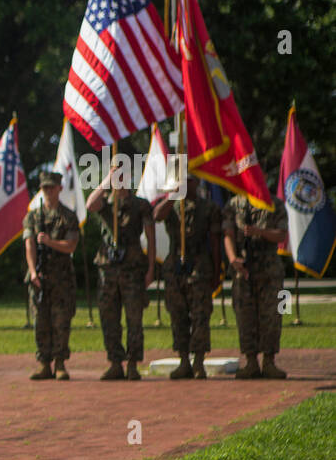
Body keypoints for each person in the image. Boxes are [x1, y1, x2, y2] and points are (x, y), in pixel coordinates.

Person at [86, 156, 155, 379]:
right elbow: (90, 204)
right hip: (108, 270)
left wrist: (151, 269)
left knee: (134, 318)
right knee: (109, 317)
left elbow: (151, 238)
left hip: (132, 269)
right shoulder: (106, 204)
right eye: (116, 173)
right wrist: (107, 180)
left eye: (122, 173)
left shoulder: (140, 205)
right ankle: (116, 362)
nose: (120, 178)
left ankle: (133, 363)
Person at [152, 181, 221, 379]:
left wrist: (217, 272)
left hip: (199, 266)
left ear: (196, 183)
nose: (185, 184)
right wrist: (173, 195)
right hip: (175, 268)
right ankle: (183, 360)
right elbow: (157, 216)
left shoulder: (208, 207)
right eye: (182, 180)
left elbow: (215, 242)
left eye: (189, 181)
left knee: (200, 316)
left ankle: (198, 361)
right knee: (177, 315)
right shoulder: (171, 205)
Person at [222, 188, 289, 379]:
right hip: (244, 271)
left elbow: (282, 235)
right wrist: (233, 258)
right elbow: (228, 234)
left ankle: (269, 361)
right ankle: (251, 361)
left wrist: (260, 232)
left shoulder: (274, 204)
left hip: (269, 270)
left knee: (272, 315)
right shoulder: (234, 205)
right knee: (244, 315)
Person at [23, 170, 79, 380]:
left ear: (59, 188)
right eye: (44, 187)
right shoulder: (33, 216)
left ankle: (60, 363)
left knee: (61, 321)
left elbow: (71, 245)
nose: (48, 191)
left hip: (62, 278)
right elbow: (29, 244)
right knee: (41, 321)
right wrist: (32, 271)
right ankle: (44, 363)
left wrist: (49, 243)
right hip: (40, 277)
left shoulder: (68, 216)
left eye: (51, 187)